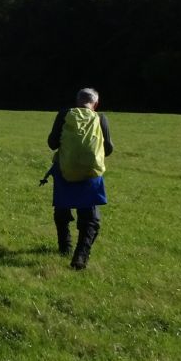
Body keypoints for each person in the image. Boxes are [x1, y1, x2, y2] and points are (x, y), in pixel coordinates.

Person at [47, 88, 114, 270]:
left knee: (62, 209)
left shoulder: (64, 114)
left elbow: (52, 143)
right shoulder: (101, 118)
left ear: (77, 102)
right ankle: (80, 257)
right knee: (90, 218)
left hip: (64, 170)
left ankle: (65, 246)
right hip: (90, 174)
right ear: (96, 104)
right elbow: (108, 148)